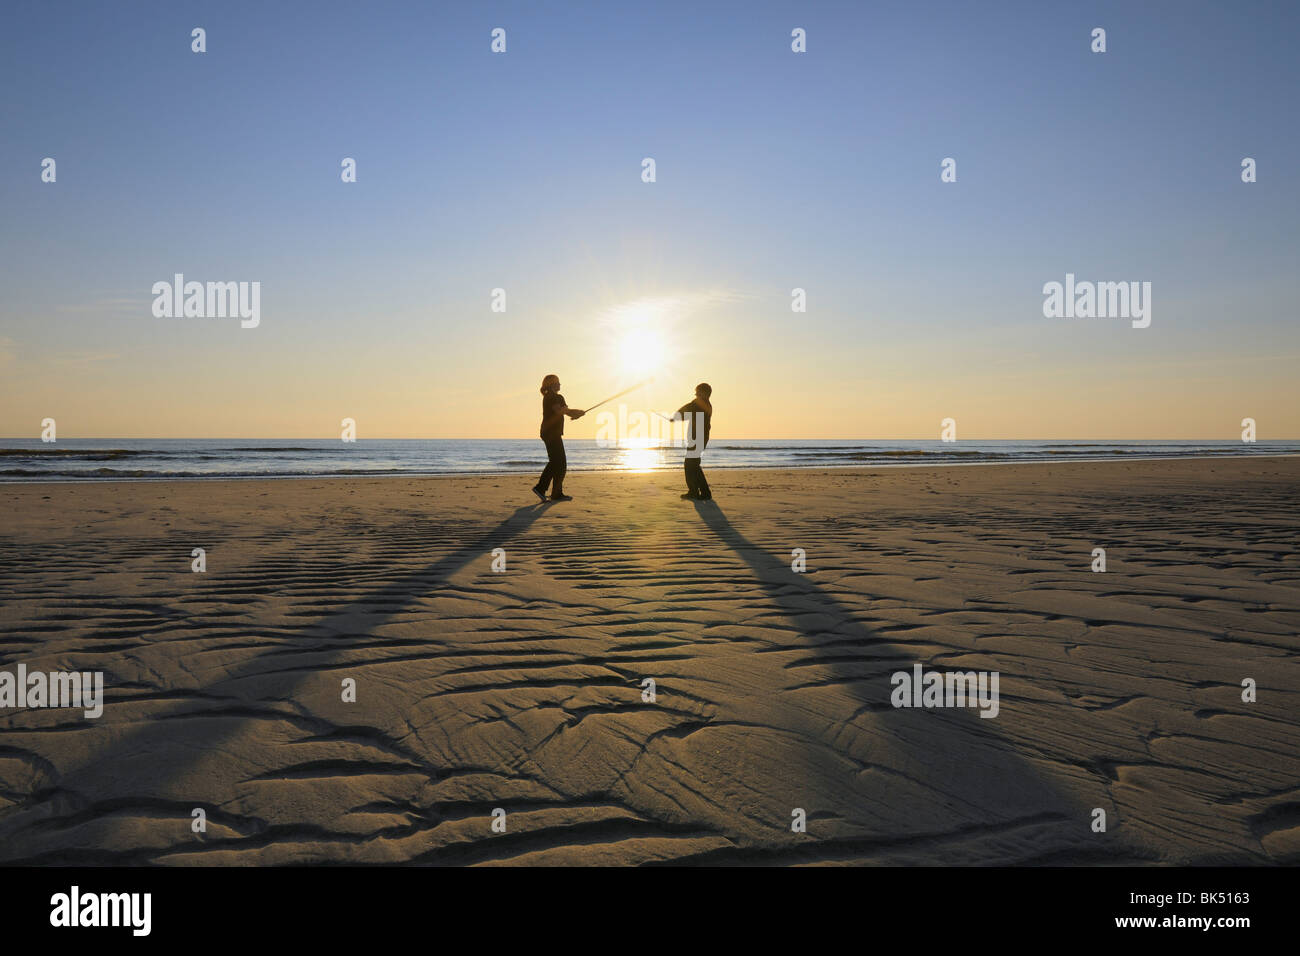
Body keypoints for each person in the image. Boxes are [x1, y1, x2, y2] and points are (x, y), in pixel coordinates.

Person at [533, 374, 584, 502]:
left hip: (550, 432)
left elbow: (565, 411)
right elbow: (559, 411)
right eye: (558, 382)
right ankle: (542, 489)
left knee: (558, 463)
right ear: (552, 384)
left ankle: (554, 492)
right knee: (558, 462)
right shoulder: (552, 396)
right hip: (551, 432)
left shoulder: (553, 397)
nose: (560, 384)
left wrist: (577, 413)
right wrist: (576, 412)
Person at [676, 382, 713, 500]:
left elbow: (684, 412)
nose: (696, 394)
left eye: (697, 392)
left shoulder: (699, 403)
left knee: (690, 465)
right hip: (701, 438)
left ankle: (695, 492)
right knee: (694, 465)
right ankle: (702, 492)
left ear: (703, 393)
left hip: (697, 438)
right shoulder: (706, 404)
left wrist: (675, 417)